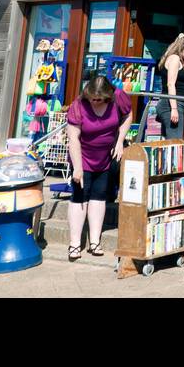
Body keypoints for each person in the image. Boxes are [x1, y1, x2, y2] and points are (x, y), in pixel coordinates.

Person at [65, 76, 132, 260]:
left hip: (105, 157)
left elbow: (128, 116)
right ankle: (74, 245)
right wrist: (77, 167)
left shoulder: (118, 98)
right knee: (79, 196)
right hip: (83, 156)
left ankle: (95, 242)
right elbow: (73, 139)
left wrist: (119, 141)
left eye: (99, 99)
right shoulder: (78, 106)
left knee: (99, 196)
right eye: (92, 98)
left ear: (108, 96)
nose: (95, 102)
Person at [155, 33, 184, 141]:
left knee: (170, 142)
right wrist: (174, 108)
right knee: (175, 143)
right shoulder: (175, 58)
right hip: (171, 105)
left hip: (174, 104)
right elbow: (171, 84)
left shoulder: (175, 58)